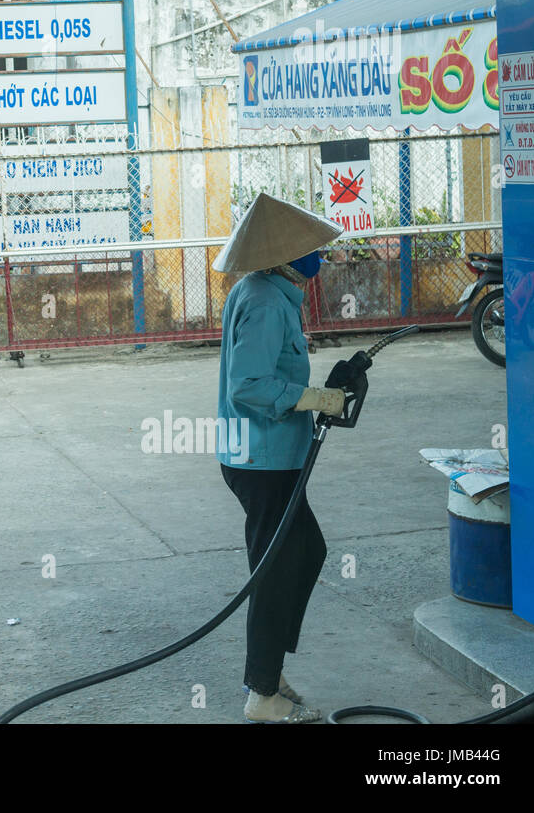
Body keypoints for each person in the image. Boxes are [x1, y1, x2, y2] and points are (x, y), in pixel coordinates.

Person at [213, 192, 346, 725]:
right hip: (262, 460)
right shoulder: (267, 301)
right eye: (310, 249)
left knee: (305, 551)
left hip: (270, 455)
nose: (319, 257)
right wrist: (312, 398)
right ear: (284, 255)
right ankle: (261, 693)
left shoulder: (266, 290)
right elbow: (248, 384)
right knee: (276, 569)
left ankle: (264, 672)